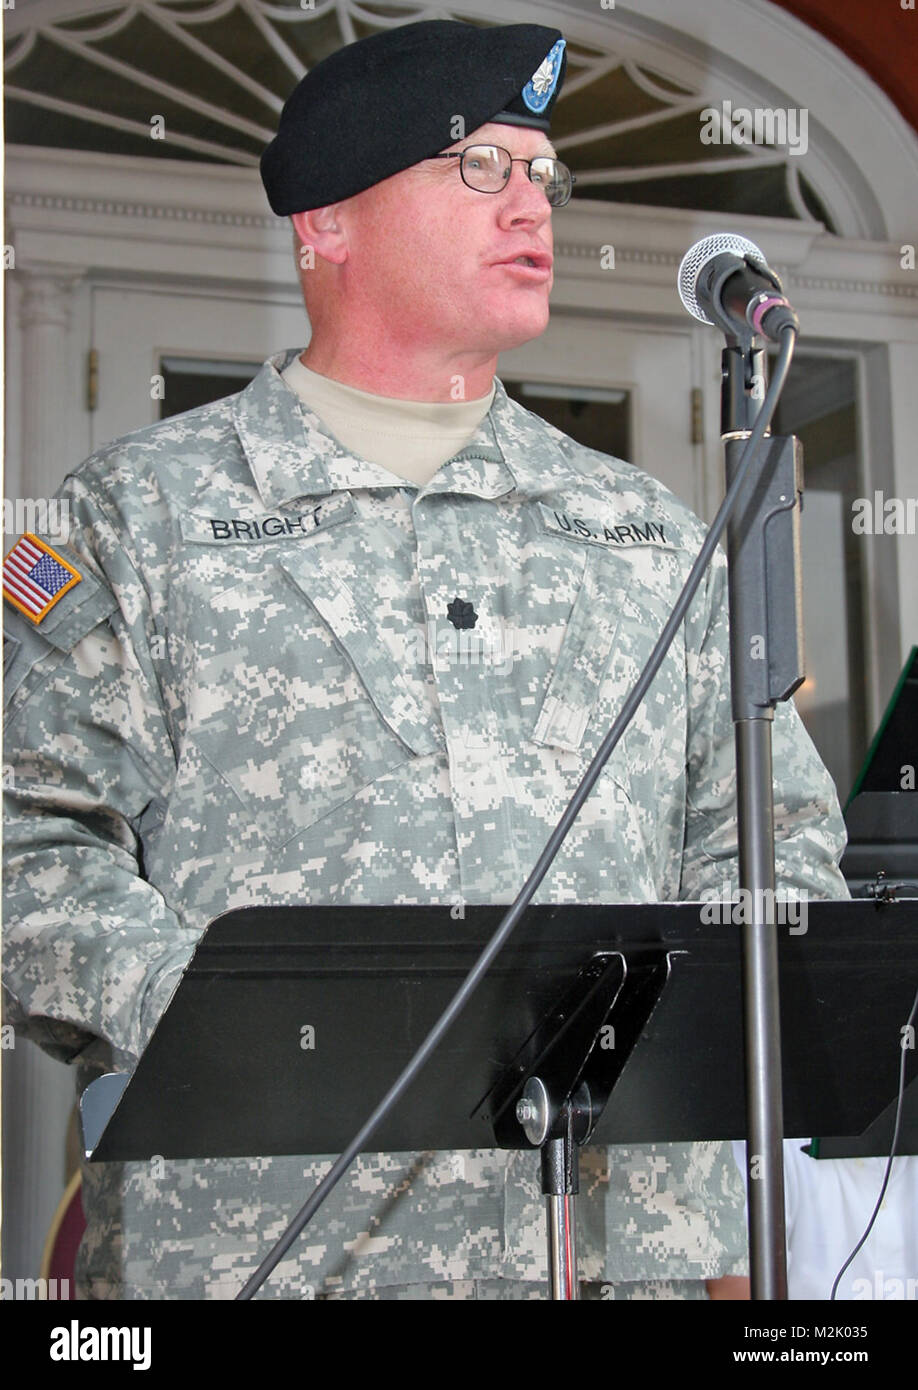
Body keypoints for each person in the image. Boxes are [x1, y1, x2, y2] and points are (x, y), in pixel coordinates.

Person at [2, 20, 849, 1301]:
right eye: (481, 171)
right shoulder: (140, 518)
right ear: (327, 224)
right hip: (269, 1251)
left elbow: (773, 849)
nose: (534, 209)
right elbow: (27, 852)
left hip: (609, 1258)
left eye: (544, 176)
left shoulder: (648, 532)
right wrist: (263, 1016)